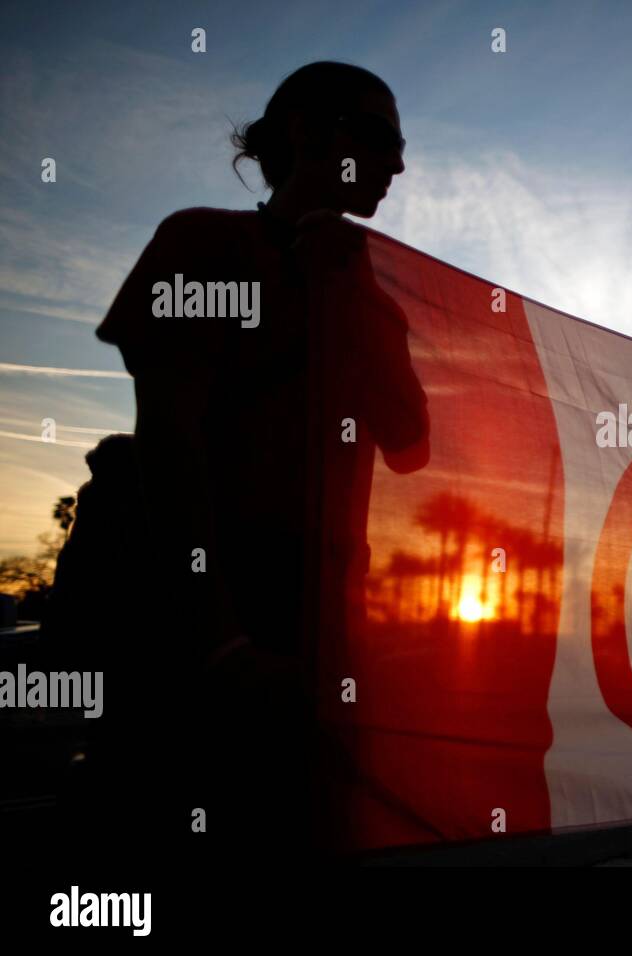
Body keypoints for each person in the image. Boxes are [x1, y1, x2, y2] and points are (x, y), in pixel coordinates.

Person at [76, 61, 430, 867]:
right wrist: (221, 643)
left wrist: (353, 294)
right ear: (304, 133)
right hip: (197, 628)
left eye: (402, 145)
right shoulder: (206, 242)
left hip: (320, 635)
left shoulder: (367, 294)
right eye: (379, 136)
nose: (400, 164)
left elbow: (410, 445)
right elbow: (170, 437)